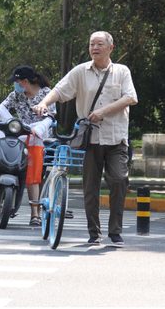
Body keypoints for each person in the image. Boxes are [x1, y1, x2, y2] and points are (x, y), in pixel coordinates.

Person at [33, 31, 138, 246]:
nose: (95, 48)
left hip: (117, 137)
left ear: (111, 47)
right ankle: (94, 232)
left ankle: (115, 231)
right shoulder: (80, 71)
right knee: (90, 187)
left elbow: (131, 97)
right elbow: (59, 91)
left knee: (118, 180)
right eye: (92, 44)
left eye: (99, 44)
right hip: (90, 138)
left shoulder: (121, 71)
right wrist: (45, 103)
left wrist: (103, 111)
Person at [0, 65, 56, 226]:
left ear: (25, 81)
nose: (15, 85)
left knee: (34, 177)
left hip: (40, 141)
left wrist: (39, 127)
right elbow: (1, 109)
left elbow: (51, 116)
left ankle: (35, 214)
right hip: (20, 138)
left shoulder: (46, 94)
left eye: (17, 82)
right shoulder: (16, 95)